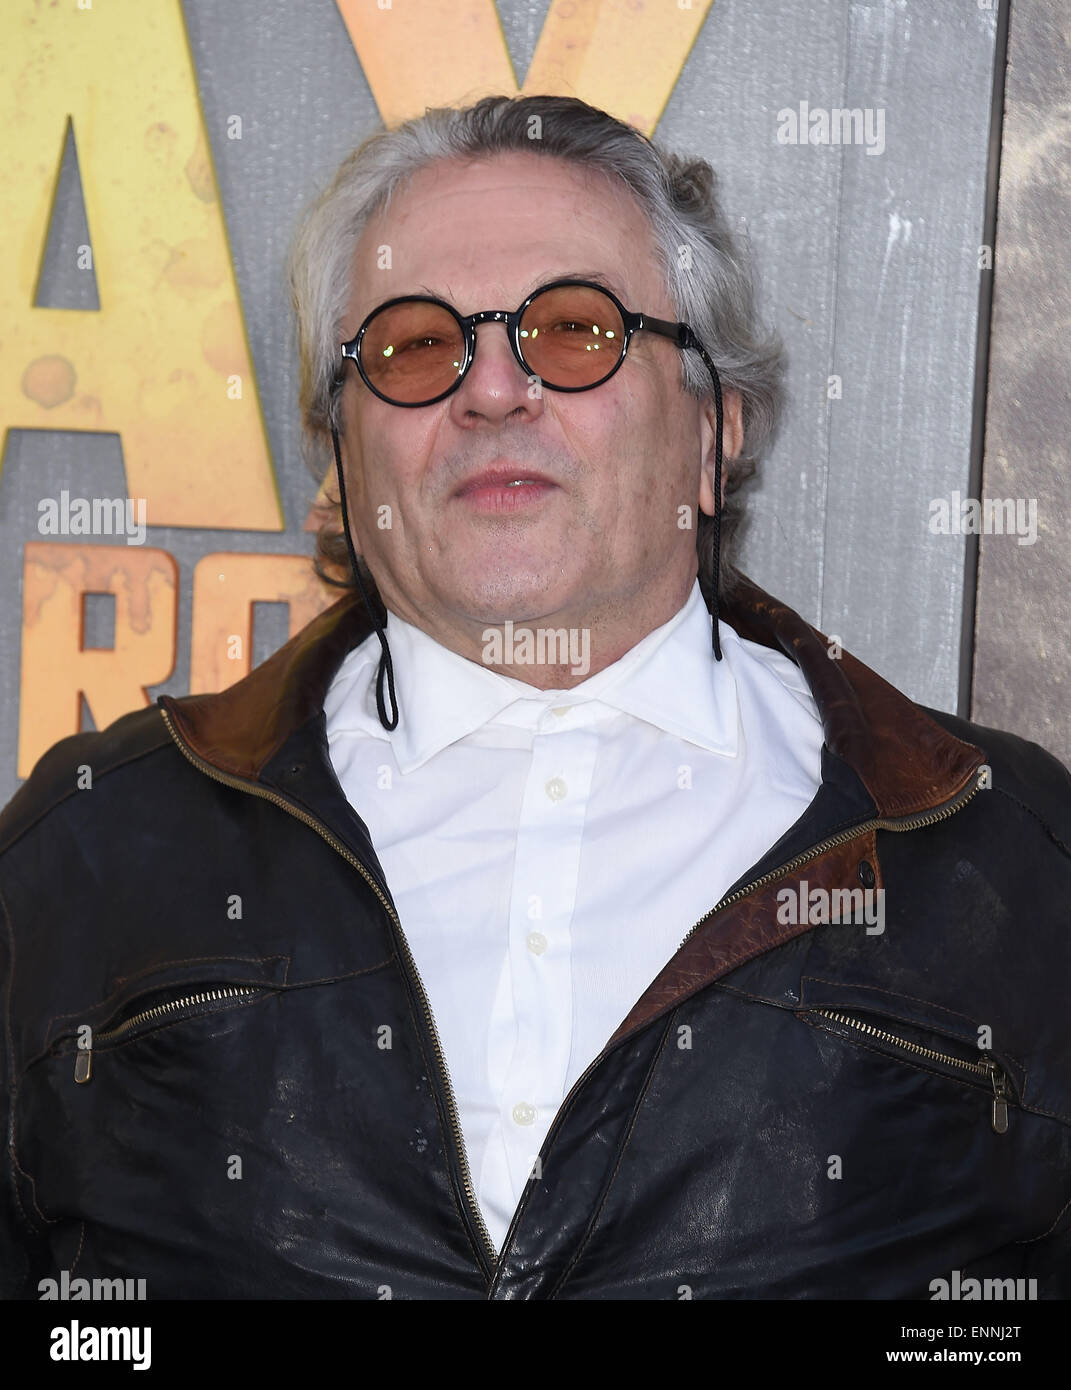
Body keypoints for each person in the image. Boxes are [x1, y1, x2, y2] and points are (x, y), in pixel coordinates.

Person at [2, 94, 1069, 1301]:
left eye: (575, 331)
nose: (495, 391)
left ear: (715, 430)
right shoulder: (86, 850)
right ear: (340, 455)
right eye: (414, 345)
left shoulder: (1008, 857)